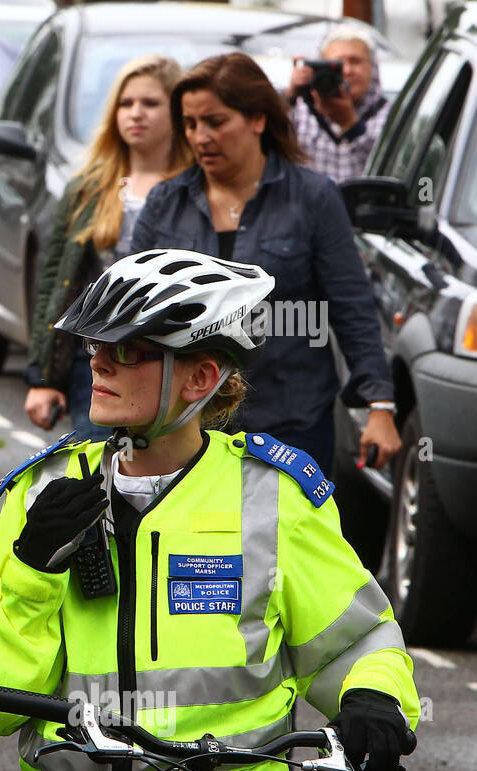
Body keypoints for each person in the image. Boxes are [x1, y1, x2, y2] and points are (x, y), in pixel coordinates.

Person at [0, 250, 419, 771]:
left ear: (199, 377)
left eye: (130, 348)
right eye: (94, 343)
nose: (98, 360)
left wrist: (375, 700)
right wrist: (31, 572)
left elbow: (360, 642)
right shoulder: (42, 493)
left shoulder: (274, 496)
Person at [130, 52, 400, 475]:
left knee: (279, 540)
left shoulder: (313, 198)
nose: (200, 136)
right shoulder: (166, 202)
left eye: (216, 122)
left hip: (290, 424)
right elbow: (133, 310)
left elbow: (352, 305)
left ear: (257, 119)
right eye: (190, 123)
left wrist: (379, 405)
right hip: (182, 426)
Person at [25, 55, 192, 438]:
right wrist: (43, 376)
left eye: (150, 103)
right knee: (100, 478)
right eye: (125, 103)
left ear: (177, 111)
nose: (136, 113)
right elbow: (56, 283)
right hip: (99, 361)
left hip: (171, 363)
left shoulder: (196, 187)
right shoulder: (88, 186)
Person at [284, 24, 390, 184]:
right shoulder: (301, 111)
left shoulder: (391, 115)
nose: (347, 71)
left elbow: (389, 164)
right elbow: (263, 143)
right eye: (337, 65)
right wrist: (290, 95)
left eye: (355, 62)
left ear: (372, 67)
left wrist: (350, 124)